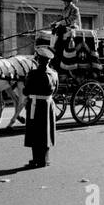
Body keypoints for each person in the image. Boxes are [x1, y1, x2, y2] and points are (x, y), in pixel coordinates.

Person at [23, 34, 59, 169]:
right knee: (46, 132)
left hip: (35, 105)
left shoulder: (32, 74)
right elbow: (55, 91)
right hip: (48, 104)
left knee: (34, 132)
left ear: (38, 59)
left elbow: (26, 91)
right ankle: (45, 159)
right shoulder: (54, 73)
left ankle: (36, 159)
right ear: (48, 61)